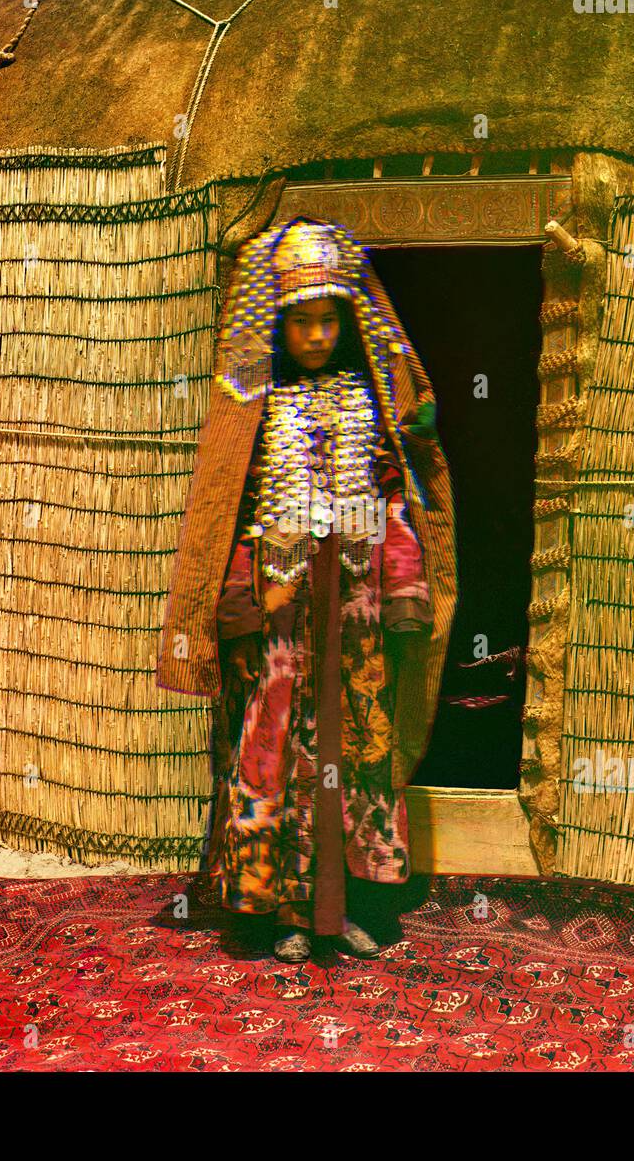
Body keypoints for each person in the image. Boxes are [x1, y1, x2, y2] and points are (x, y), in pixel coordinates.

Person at [156, 218, 455, 964]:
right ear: (279, 326)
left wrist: (404, 586)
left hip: (353, 612)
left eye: (329, 321)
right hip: (284, 613)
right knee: (274, 752)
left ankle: (351, 906)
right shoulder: (255, 416)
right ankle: (284, 912)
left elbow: (394, 496)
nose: (317, 336)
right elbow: (232, 512)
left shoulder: (370, 403)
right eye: (302, 323)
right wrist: (234, 606)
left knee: (357, 748)